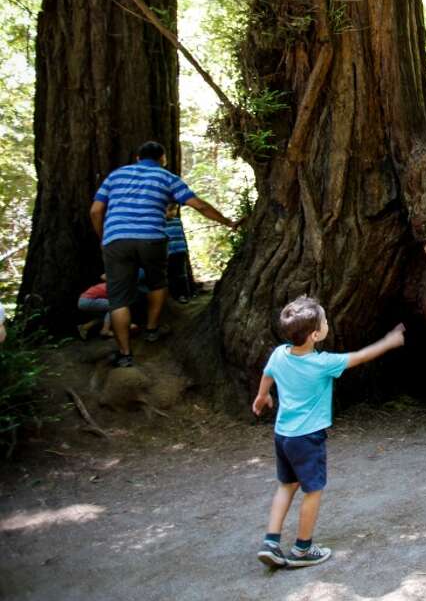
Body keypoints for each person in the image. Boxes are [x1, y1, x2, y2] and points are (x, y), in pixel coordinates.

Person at [251, 296, 406, 568]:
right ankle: (302, 549)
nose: (326, 324)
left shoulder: (279, 353)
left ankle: (271, 542)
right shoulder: (322, 363)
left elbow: (268, 373)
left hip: (283, 435)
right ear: (315, 334)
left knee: (286, 486)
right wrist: (389, 342)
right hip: (307, 439)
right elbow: (359, 357)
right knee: (313, 490)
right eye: (323, 321)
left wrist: (263, 396)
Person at [89, 141, 239, 368]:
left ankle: (126, 354)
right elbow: (198, 204)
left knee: (118, 299)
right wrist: (227, 222)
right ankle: (151, 329)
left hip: (116, 240)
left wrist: (104, 238)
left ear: (138, 158)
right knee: (157, 283)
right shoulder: (167, 177)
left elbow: (96, 210)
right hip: (152, 238)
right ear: (163, 158)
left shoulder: (116, 176)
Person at [164, 204, 194, 303]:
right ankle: (174, 295)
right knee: (169, 275)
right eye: (170, 210)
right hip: (167, 253)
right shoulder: (159, 223)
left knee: (181, 274)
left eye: (174, 210)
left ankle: (184, 295)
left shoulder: (177, 221)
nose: (173, 212)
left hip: (179, 252)